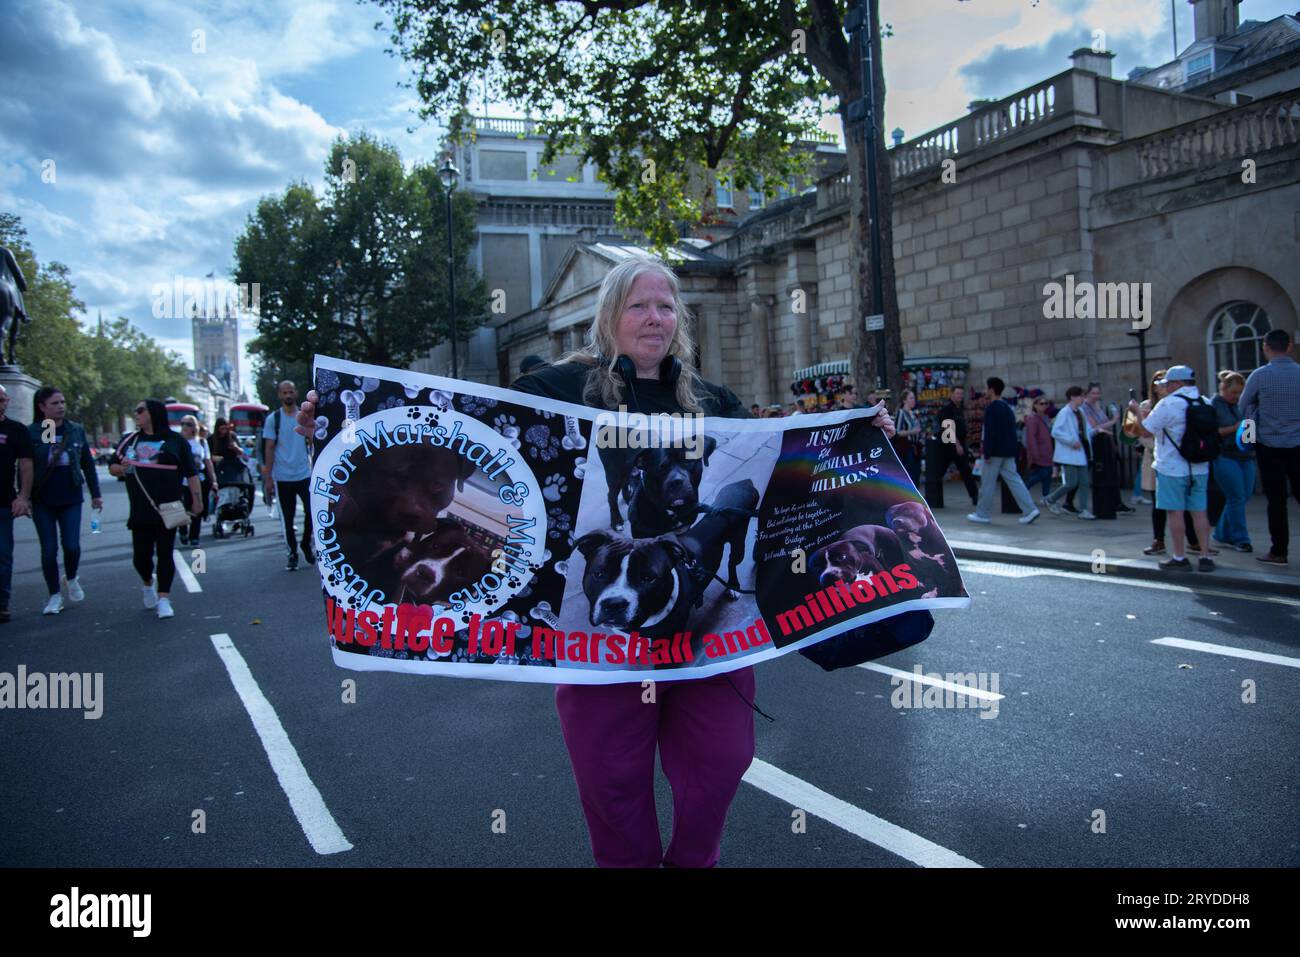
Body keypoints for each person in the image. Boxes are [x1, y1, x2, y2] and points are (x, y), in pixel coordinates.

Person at [296, 255, 895, 868]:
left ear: (680, 320)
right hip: (599, 643)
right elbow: (462, 444)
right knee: (612, 776)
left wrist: (860, 437)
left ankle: (695, 861)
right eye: (638, 305)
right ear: (609, 316)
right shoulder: (552, 390)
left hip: (704, 638)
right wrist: (336, 426)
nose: (654, 318)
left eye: (666, 306)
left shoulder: (715, 400)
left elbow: (781, 475)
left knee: (720, 758)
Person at [108, 399, 201, 619]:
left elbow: (191, 474)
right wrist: (120, 469)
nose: (136, 414)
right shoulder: (130, 440)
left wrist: (197, 501)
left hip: (169, 507)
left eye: (140, 410)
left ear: (153, 414)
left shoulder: (175, 441)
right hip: (141, 509)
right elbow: (113, 466)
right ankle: (148, 583)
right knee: (141, 557)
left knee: (166, 554)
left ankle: (164, 599)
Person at [1128, 365, 1214, 572]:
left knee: (1175, 513)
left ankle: (1179, 556)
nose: (1165, 387)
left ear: (1177, 383)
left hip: (1171, 467)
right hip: (1200, 466)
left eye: (1167, 383)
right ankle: (1204, 556)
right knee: (1200, 513)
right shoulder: (1206, 402)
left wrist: (1137, 412)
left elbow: (1145, 432)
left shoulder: (1168, 404)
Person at [28, 387, 103, 616]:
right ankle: (54, 595)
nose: (61, 406)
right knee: (49, 549)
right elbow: (30, 464)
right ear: (41, 406)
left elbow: (88, 465)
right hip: (43, 497)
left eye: (62, 402)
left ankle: (70, 577)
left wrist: (96, 494)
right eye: (54, 403)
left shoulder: (75, 430)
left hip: (69, 495)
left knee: (71, 545)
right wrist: (23, 496)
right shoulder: (33, 431)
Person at [1239, 328, 1300, 566]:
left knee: (1276, 501)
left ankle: (1279, 551)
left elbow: (1243, 406)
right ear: (1289, 347)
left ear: (1265, 347)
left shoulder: (1259, 376)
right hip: (1298, 445)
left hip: (1269, 446)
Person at [967, 377, 1039, 524]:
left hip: (994, 453)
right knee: (1015, 481)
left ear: (992, 390)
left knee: (987, 484)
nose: (985, 391)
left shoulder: (992, 408)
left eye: (987, 388)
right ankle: (1030, 509)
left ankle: (982, 513)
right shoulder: (1007, 408)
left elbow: (989, 433)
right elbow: (1012, 431)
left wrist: (986, 452)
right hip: (1008, 452)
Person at [263, 380, 315, 571]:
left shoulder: (304, 416)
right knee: (288, 518)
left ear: (296, 393)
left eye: (291, 392)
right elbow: (269, 447)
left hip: (304, 473)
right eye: (284, 392)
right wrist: (268, 477)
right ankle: (292, 552)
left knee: (313, 512)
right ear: (279, 395)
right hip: (282, 476)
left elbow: (313, 439)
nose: (288, 396)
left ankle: (305, 543)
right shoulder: (273, 419)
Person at [1209, 371, 1255, 553]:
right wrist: (1234, 428)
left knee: (1244, 496)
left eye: (1240, 393)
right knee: (1236, 497)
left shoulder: (1242, 405)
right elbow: (1214, 432)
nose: (1236, 397)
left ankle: (1220, 534)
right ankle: (1241, 539)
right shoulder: (1215, 405)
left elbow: (1248, 429)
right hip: (1225, 455)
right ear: (1223, 388)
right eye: (1234, 392)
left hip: (1245, 455)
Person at [0, 385, 33, 623]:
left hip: (3, 501)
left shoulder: (16, 430)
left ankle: (2, 603)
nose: (3, 403)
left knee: (2, 554)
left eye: (4, 399)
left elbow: (25, 465)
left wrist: (23, 496)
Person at [1044, 386, 1096, 519]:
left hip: (1081, 452)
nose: (1083, 399)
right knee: (1071, 482)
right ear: (1073, 397)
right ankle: (1050, 499)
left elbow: (1087, 430)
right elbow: (1056, 431)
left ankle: (1083, 509)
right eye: (1080, 396)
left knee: (1084, 481)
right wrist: (1072, 441)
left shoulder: (1080, 412)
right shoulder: (1064, 412)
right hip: (1070, 453)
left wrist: (1099, 430)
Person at [932, 386, 979, 507]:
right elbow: (948, 428)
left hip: (959, 444)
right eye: (957, 393)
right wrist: (957, 445)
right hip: (948, 446)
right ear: (952, 394)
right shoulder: (947, 409)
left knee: (966, 471)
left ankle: (975, 496)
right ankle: (933, 498)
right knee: (939, 472)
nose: (960, 396)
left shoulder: (960, 409)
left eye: (961, 394)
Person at [178, 415, 218, 547]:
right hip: (182, 479)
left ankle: (194, 536)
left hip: (199, 478)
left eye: (188, 424)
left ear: (195, 427)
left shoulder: (201, 442)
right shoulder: (178, 441)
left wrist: (213, 480)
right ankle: (183, 530)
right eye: (183, 424)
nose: (185, 427)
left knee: (197, 506)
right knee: (184, 506)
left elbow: (207, 462)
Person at [1024, 396, 1055, 502]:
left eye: (1046, 403)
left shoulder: (1046, 418)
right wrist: (1034, 453)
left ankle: (1046, 495)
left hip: (1047, 451)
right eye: (1041, 404)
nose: (1044, 406)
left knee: (1048, 474)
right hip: (1039, 451)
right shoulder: (1033, 419)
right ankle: (1024, 490)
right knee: (1042, 474)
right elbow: (1031, 437)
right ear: (1035, 405)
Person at [893, 389, 923, 487]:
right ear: (904, 400)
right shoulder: (901, 413)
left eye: (914, 398)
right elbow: (897, 431)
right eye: (911, 398)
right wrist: (912, 432)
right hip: (906, 447)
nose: (913, 400)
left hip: (916, 446)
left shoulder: (913, 413)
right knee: (911, 473)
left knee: (917, 472)